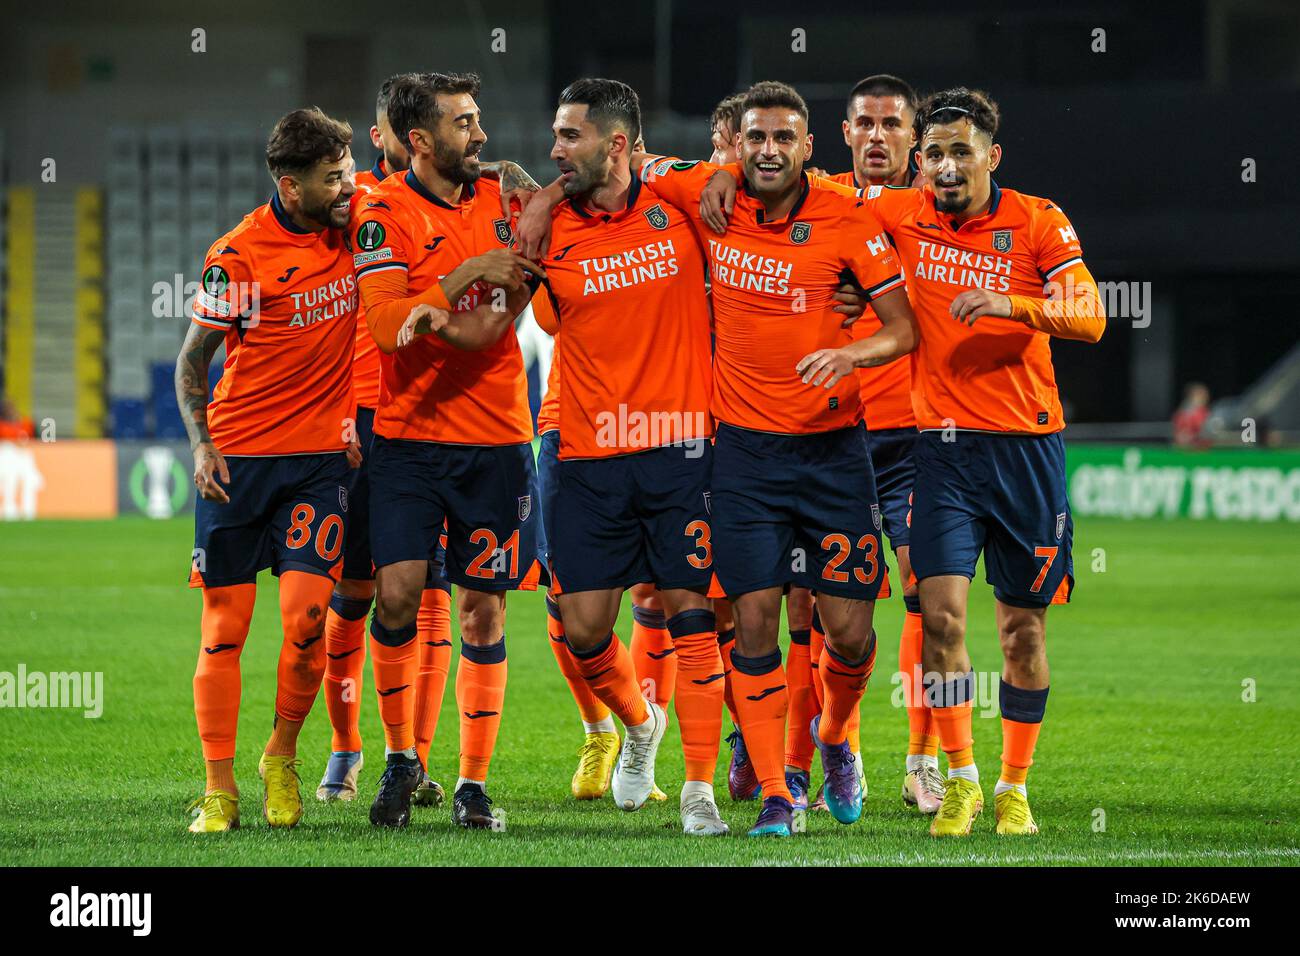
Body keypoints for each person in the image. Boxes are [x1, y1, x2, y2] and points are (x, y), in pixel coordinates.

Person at [637, 81, 919, 837]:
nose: (768, 150)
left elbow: (903, 330)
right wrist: (531, 196)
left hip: (834, 455)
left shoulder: (848, 220)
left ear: (807, 147)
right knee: (754, 624)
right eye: (754, 138)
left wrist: (849, 352)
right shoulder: (710, 198)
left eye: (782, 139)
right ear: (738, 145)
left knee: (850, 634)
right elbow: (633, 159)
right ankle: (774, 792)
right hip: (744, 458)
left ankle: (832, 739)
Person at [846, 88, 1105, 836]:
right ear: (918, 164)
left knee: (1022, 632)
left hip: (1027, 452)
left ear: (992, 156)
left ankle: (1012, 786)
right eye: (934, 154)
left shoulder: (1037, 220)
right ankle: (957, 779)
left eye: (962, 151)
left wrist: (1013, 304)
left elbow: (1089, 317)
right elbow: (803, 195)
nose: (947, 165)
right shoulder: (899, 214)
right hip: (944, 454)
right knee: (940, 616)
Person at [528, 78, 726, 833]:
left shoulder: (677, 203)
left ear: (615, 143)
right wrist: (536, 219)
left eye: (569, 135)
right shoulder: (555, 229)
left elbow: (729, 178)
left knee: (692, 617)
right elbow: (545, 317)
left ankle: (699, 790)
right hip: (585, 451)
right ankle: (639, 725)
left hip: (679, 447)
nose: (555, 149)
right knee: (581, 628)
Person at [353, 71, 547, 830]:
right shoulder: (381, 211)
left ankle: (472, 783)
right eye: (466, 124)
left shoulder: (505, 200)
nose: (483, 136)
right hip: (407, 440)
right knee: (398, 596)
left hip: (497, 441)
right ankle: (401, 760)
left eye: (480, 118)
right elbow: (384, 327)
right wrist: (465, 275)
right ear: (422, 141)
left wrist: (441, 313)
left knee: (482, 613)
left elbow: (489, 322)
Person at [178, 107, 360, 832]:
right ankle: (219, 790)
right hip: (240, 464)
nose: (349, 189)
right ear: (290, 186)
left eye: (349, 173)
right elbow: (195, 360)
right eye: (332, 179)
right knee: (224, 628)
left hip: (318, 464)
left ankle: (280, 757)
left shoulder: (357, 227)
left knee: (309, 619)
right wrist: (200, 444)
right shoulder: (241, 256)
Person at [1172, 382, 1211, 448]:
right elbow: (1179, 433)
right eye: (1200, 395)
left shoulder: (1206, 412)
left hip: (1203, 449)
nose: (1204, 398)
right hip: (1188, 449)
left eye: (1205, 395)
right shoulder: (1183, 413)